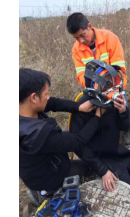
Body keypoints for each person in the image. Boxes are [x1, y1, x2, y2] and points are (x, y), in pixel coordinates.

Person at [19, 68, 106, 205]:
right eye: (46, 94)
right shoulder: (37, 135)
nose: (48, 97)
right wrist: (98, 116)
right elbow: (79, 141)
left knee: (65, 136)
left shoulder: (22, 107)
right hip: (46, 178)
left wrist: (78, 107)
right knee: (88, 168)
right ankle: (43, 193)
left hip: (36, 164)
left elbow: (52, 103)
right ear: (34, 97)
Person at [66, 12, 130, 145]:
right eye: (76, 38)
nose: (81, 41)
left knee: (122, 107)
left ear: (89, 26)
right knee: (97, 112)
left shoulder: (110, 38)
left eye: (82, 35)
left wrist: (113, 91)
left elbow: (120, 70)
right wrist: (96, 90)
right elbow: (81, 74)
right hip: (95, 89)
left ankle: (126, 129)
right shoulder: (76, 49)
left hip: (115, 86)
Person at [69, 93, 130, 193]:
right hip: (98, 158)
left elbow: (125, 126)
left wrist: (123, 112)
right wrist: (102, 169)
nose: (110, 83)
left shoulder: (114, 98)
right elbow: (78, 145)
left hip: (116, 151)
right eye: (105, 79)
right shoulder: (84, 105)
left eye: (113, 79)